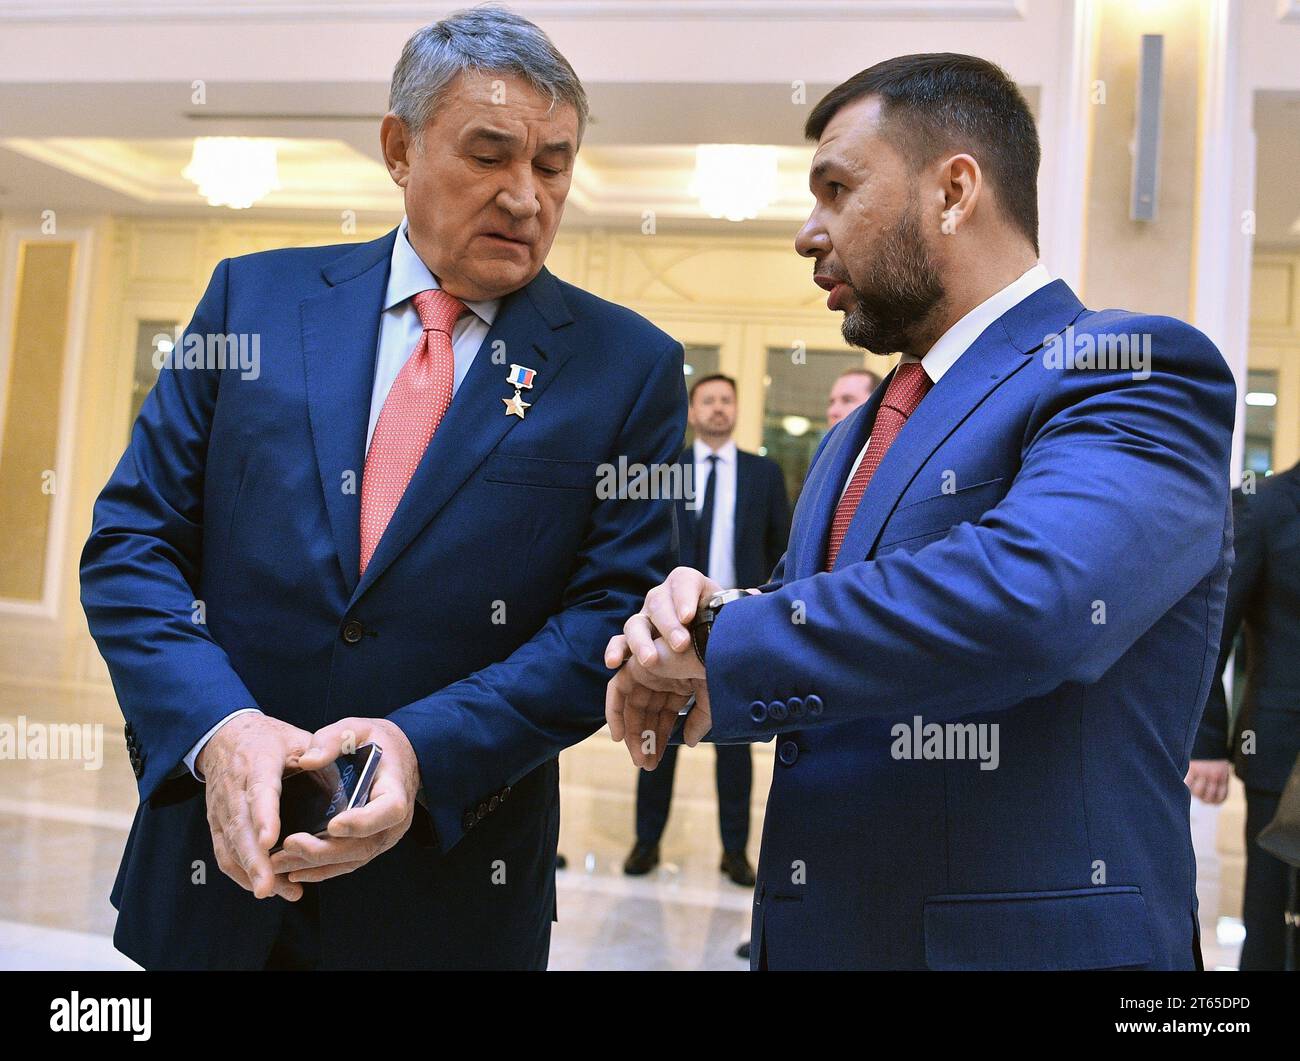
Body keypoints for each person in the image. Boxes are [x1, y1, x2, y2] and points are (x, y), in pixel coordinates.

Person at [79, 8, 685, 971]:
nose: (526, 197)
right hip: (217, 877)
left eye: (554, 164)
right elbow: (133, 544)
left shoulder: (630, 368)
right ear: (400, 148)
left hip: (452, 894)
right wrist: (217, 727)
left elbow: (608, 614)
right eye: (489, 154)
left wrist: (419, 747)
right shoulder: (252, 303)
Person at [604, 53, 1235, 970]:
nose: (806, 233)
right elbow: (825, 622)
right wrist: (694, 639)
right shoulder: (857, 429)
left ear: (954, 189)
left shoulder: (1128, 368)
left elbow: (1035, 597)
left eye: (836, 188)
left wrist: (729, 634)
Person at [624, 374, 791, 886]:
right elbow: (645, 543)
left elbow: (779, 546)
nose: (718, 409)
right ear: (693, 410)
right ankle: (646, 842)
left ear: (736, 410)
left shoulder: (762, 472)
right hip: (671, 622)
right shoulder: (668, 470)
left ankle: (735, 851)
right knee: (659, 734)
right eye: (708, 401)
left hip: (737, 625)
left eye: (726, 401)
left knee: (733, 744)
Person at [1187, 461, 1300, 970]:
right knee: (1274, 920)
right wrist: (1208, 743)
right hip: (1282, 758)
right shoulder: (1263, 505)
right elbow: (1214, 627)